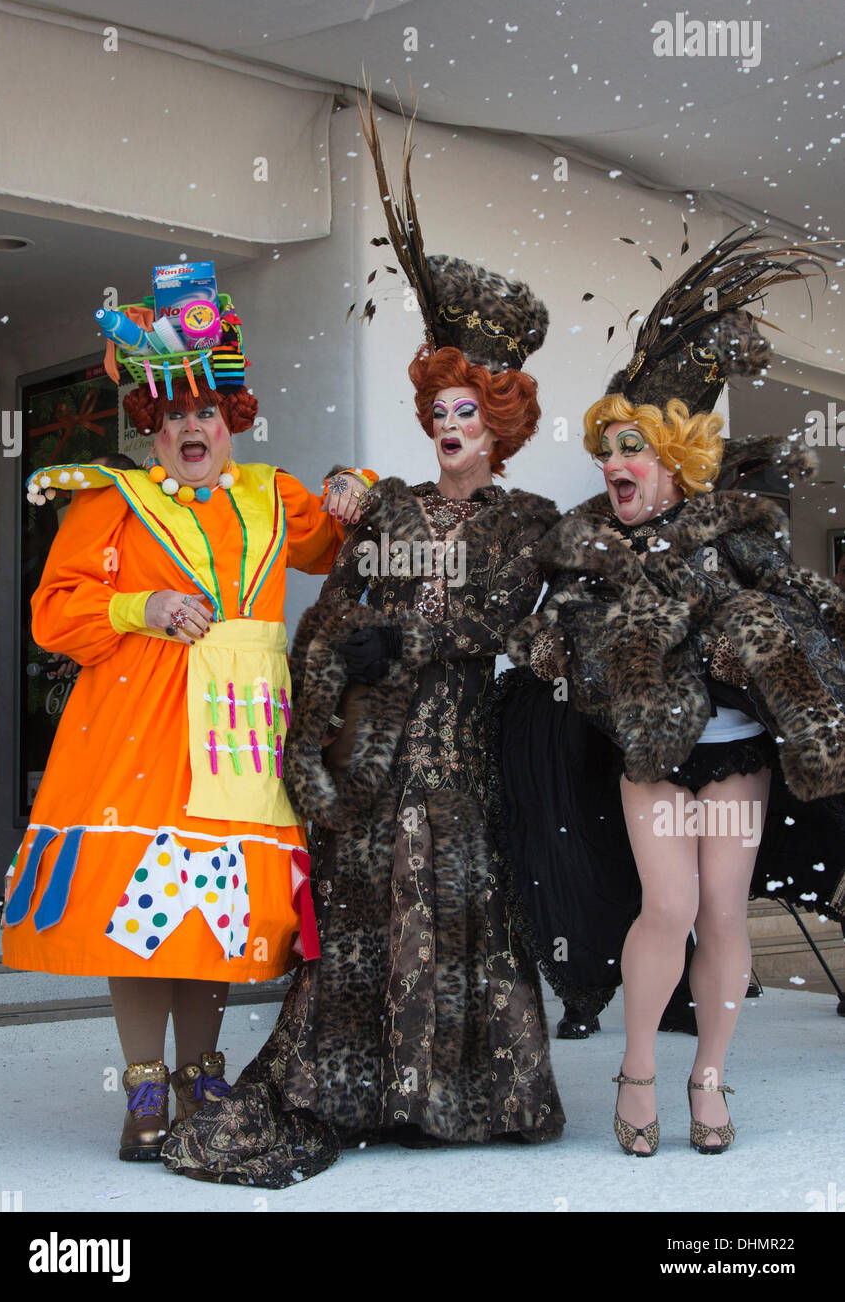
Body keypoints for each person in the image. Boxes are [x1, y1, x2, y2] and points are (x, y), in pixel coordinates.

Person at [160, 95, 564, 1189]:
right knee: (360, 915)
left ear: (501, 419)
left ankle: (454, 1095)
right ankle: (363, 1086)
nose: (447, 424)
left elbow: (497, 620)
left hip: (457, 757)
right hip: (372, 759)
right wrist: (319, 729)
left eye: (467, 411)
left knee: (457, 909)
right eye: (437, 406)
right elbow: (329, 631)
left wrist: (414, 636)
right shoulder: (380, 508)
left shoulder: (526, 522)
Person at [2, 276, 375, 1161]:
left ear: (231, 417)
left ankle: (203, 1075)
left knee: (211, 912)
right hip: (134, 731)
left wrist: (356, 486)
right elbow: (54, 613)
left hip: (241, 732)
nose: (190, 428)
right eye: (171, 416)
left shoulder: (272, 495)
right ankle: (142, 1090)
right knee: (141, 918)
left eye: (205, 407)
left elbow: (334, 538)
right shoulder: (108, 504)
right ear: (150, 431)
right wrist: (144, 607)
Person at [498, 229, 845, 1156]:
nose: (617, 464)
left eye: (635, 450)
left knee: (726, 913)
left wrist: (752, 648)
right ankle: (640, 1066)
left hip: (733, 757)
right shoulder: (583, 543)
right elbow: (548, 639)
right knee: (670, 909)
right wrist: (588, 653)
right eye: (609, 449)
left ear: (676, 461)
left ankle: (710, 1076)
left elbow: (807, 615)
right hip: (653, 760)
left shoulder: (737, 533)